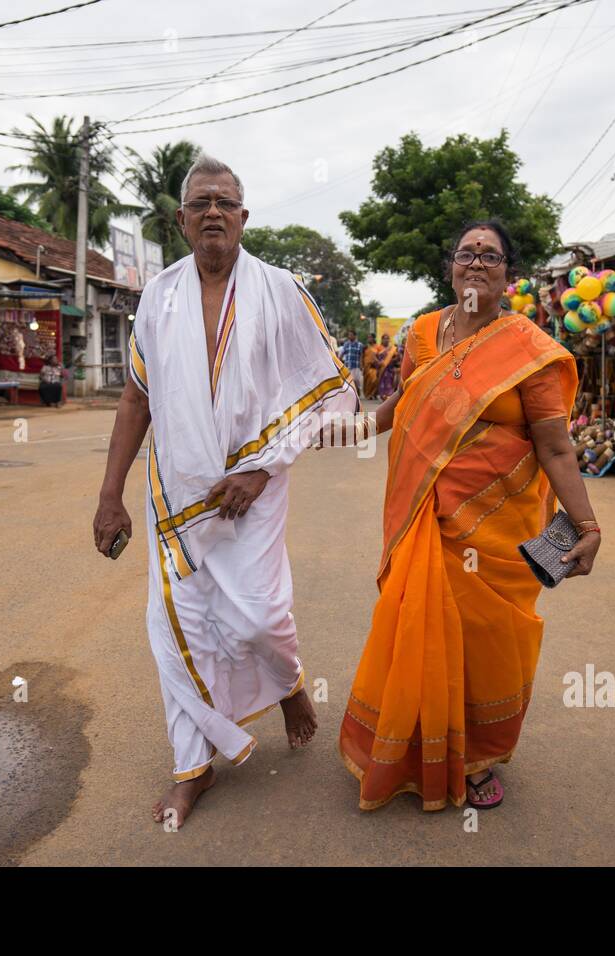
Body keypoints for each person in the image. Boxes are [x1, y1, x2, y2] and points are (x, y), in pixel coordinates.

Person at [92, 154, 360, 828]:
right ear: (181, 221)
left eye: (226, 202)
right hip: (177, 498)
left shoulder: (280, 290)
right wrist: (109, 494)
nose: (214, 211)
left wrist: (262, 469)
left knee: (258, 617)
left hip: (255, 491)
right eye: (201, 202)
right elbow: (135, 399)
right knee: (179, 630)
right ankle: (193, 769)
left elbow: (327, 395)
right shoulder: (159, 295)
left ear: (243, 218)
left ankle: (287, 682)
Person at [339, 219, 601, 811]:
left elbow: (556, 446)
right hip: (426, 515)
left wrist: (588, 525)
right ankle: (409, 742)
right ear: (451, 268)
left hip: (497, 524)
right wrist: (350, 430)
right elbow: (404, 402)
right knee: (415, 621)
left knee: (485, 634)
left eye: (491, 255)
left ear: (508, 275)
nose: (476, 262)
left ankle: (478, 755)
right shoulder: (425, 333)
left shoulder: (526, 349)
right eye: (466, 253)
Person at [339, 330, 364, 402]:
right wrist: (339, 362)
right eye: (349, 335)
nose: (349, 336)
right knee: (349, 381)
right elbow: (342, 354)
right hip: (348, 365)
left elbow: (361, 356)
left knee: (357, 381)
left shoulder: (360, 345)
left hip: (356, 366)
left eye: (351, 335)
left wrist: (361, 365)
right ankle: (353, 396)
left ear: (355, 336)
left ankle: (358, 395)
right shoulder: (346, 344)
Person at [377, 335, 400, 400]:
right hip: (382, 369)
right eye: (384, 339)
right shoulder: (379, 348)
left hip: (390, 369)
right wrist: (379, 362)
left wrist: (392, 360)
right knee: (382, 383)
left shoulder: (392, 348)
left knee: (389, 382)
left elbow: (397, 358)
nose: (386, 340)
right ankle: (383, 395)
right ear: (382, 340)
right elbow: (376, 357)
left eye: (387, 339)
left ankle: (389, 396)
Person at [361, 333, 380, 400]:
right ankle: (368, 394)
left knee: (374, 380)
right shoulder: (365, 347)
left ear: (373, 338)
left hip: (374, 366)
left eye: (370, 337)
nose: (369, 339)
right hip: (366, 367)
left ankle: (373, 394)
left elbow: (379, 356)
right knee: (367, 381)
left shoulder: (377, 347)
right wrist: (362, 365)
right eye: (368, 337)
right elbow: (362, 357)